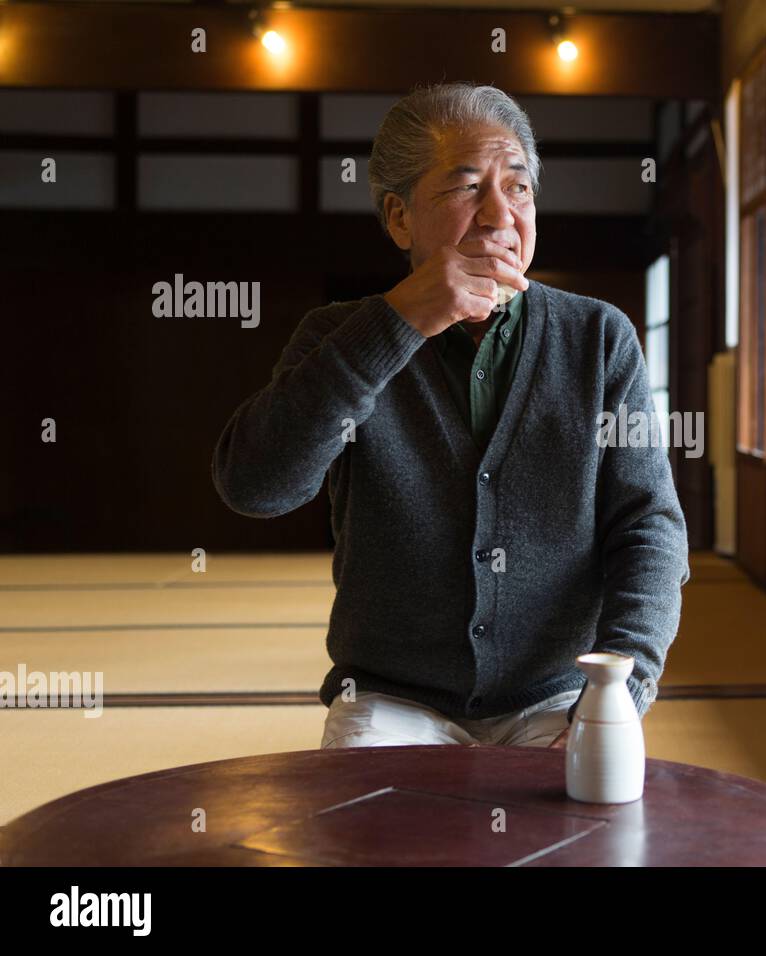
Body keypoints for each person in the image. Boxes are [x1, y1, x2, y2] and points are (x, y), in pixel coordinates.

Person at [211, 83, 690, 751]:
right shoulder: (336, 336)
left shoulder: (598, 338)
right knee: (359, 820)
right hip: (389, 696)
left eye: (518, 188)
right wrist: (396, 324)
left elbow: (649, 526)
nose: (500, 215)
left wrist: (622, 685)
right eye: (467, 187)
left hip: (557, 693)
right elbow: (256, 487)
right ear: (400, 218)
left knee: (595, 815)